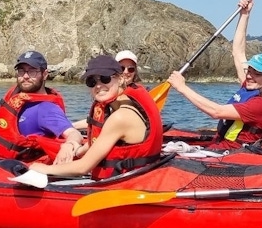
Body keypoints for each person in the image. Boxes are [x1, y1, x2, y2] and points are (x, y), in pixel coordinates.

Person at [167, 0, 262, 152]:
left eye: (256, 73)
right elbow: (238, 51)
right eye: (249, 70)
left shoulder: (261, 105)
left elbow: (217, 112)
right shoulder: (250, 86)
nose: (249, 75)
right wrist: (245, 14)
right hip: (220, 145)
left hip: (234, 152)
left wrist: (182, 88)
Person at [28, 55, 164, 179]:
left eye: (105, 79)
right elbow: (103, 140)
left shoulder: (120, 117)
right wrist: (77, 150)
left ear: (120, 79)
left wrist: (43, 168)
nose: (98, 86)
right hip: (138, 174)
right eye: (92, 81)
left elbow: (83, 168)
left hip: (128, 183)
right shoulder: (121, 102)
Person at [0, 50, 83, 162]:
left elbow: (73, 133)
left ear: (44, 75)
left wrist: (69, 145)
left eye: (32, 71)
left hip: (8, 166)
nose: (25, 76)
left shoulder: (46, 109)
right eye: (21, 71)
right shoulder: (17, 96)